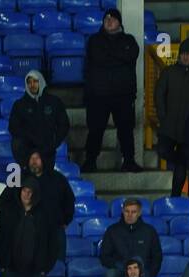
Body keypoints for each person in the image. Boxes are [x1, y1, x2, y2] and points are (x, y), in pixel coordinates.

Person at [82, 9, 141, 173]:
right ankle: (90, 161)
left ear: (119, 22)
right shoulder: (94, 40)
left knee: (126, 130)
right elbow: (99, 58)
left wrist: (109, 56)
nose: (109, 21)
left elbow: (131, 55)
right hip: (98, 95)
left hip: (123, 95)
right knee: (95, 130)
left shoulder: (129, 40)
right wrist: (119, 56)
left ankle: (129, 161)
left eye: (113, 19)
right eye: (106, 19)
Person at [154, 38, 189, 195]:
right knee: (163, 151)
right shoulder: (169, 72)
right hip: (169, 127)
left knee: (182, 166)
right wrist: (162, 116)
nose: (186, 57)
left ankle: (176, 198)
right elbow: (159, 95)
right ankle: (181, 162)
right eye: (184, 53)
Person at [8, 71, 70, 167]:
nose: (32, 85)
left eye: (35, 81)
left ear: (41, 81)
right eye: (29, 82)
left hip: (47, 150)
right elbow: (13, 127)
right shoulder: (19, 105)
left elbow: (64, 125)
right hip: (27, 152)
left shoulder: (54, 102)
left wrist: (54, 143)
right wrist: (31, 139)